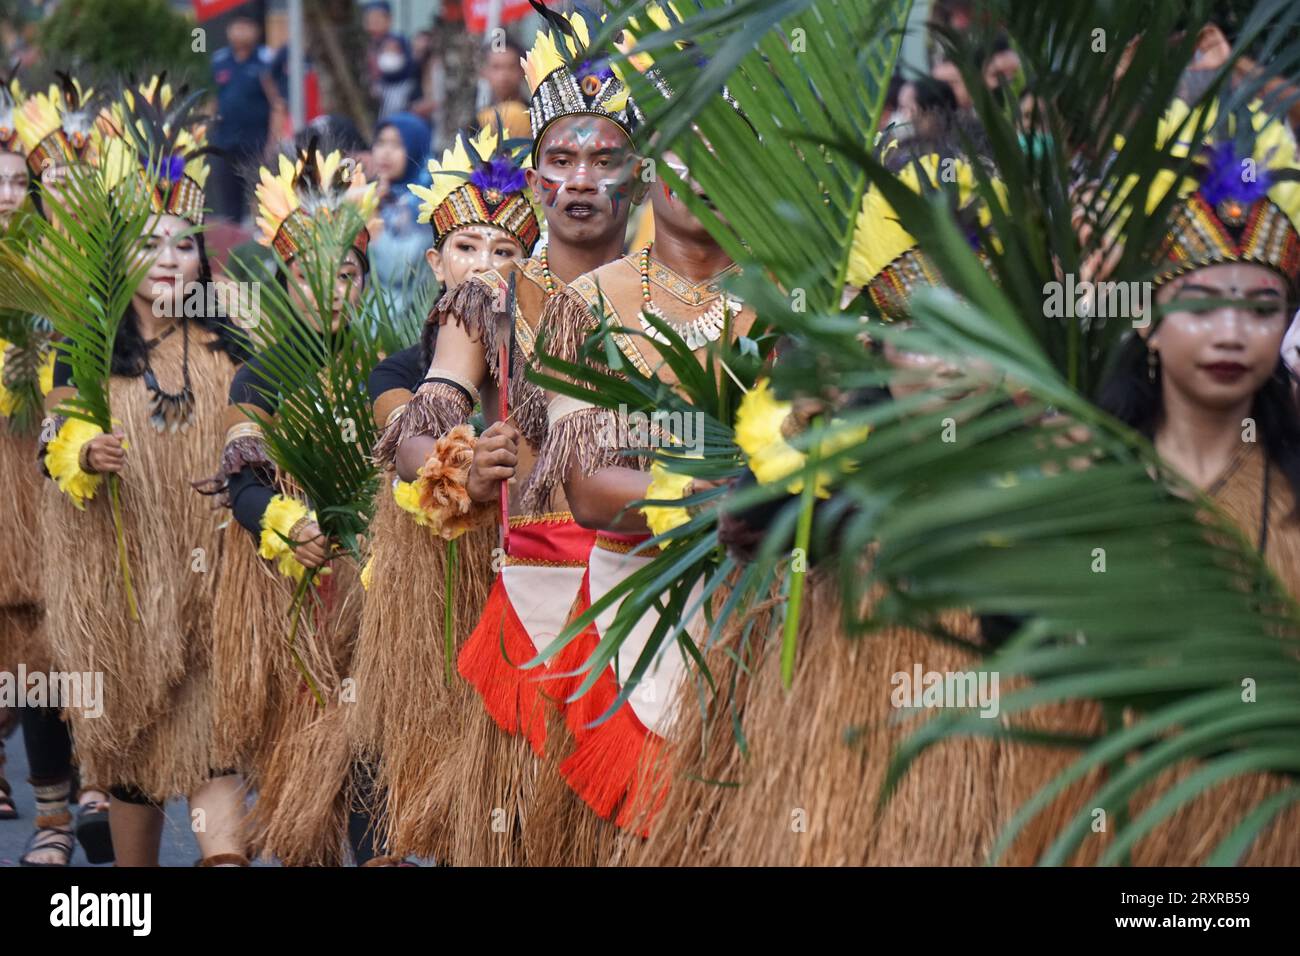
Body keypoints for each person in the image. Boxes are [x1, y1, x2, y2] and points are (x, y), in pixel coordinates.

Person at [377, 4, 646, 864]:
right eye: (561, 159)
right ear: (534, 181)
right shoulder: (488, 305)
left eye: (605, 160)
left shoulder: (682, 299)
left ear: (637, 177)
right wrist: (463, 461)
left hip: (660, 601)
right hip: (535, 614)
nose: (581, 178)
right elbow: (422, 422)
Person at [33, 79, 249, 867]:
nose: (168, 259)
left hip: (213, 587)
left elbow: (258, 434)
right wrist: (84, 453)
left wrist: (247, 470)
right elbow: (55, 433)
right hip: (126, 587)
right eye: (150, 242)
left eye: (183, 242)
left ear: (201, 254)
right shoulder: (85, 350)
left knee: (215, 746)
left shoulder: (234, 346)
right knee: (131, 762)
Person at [520, 141, 758, 837]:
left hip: (775, 599)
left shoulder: (795, 300)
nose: (705, 176)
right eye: (689, 154)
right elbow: (589, 490)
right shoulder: (586, 304)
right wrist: (703, 497)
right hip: (639, 604)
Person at [1094, 102, 1300, 866]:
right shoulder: (1078, 489)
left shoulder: (1291, 500)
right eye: (1202, 301)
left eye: (1260, 307)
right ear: (1146, 318)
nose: (1230, 332)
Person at [351, 122, 540, 863]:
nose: (485, 266)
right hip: (425, 606)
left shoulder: (551, 362)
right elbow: (405, 444)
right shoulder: (400, 371)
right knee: (402, 765)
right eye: (467, 248)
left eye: (506, 251)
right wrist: (463, 468)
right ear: (436, 262)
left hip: (522, 603)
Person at [207, 144, 383, 866]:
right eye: (313, 277)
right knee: (304, 769)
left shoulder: (389, 370)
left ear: (364, 283)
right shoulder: (260, 375)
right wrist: (287, 522)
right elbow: (244, 483)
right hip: (293, 597)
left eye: (345, 275)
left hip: (374, 596)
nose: (331, 290)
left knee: (372, 748)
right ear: (285, 282)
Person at [1, 76, 115, 866]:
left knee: (101, 631)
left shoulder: (127, 257)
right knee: (38, 636)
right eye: (53, 174)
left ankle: (107, 776)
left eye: (84, 170)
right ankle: (53, 816)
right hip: (25, 470)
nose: (65, 186)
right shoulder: (21, 262)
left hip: (118, 466)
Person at [208, 11, 286, 224]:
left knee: (257, 198)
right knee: (228, 202)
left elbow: (277, 104)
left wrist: (273, 142)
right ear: (228, 30)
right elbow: (212, 101)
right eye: (237, 26)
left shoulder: (265, 61)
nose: (241, 32)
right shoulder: (219, 61)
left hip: (255, 143)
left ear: (257, 31)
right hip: (224, 142)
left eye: (246, 26)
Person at [368, 111, 433, 317]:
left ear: (415, 148)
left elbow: (397, 270)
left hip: (403, 321)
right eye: (381, 143)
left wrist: (372, 215)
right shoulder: (380, 195)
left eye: (397, 145)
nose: (385, 153)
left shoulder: (421, 202)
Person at [475, 37, 531, 142]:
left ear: (523, 70)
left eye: (511, 67)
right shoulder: (478, 121)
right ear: (484, 72)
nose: (504, 75)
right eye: (496, 67)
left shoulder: (537, 116)